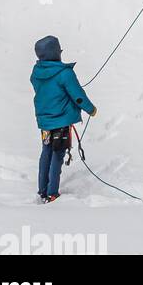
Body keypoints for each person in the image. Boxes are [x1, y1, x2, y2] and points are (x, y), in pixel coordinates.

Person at [30, 35, 96, 203]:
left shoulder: (36, 72)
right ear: (55, 53)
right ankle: (52, 193)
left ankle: (42, 190)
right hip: (61, 122)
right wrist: (90, 109)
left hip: (45, 121)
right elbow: (78, 96)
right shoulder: (65, 73)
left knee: (46, 153)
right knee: (57, 155)